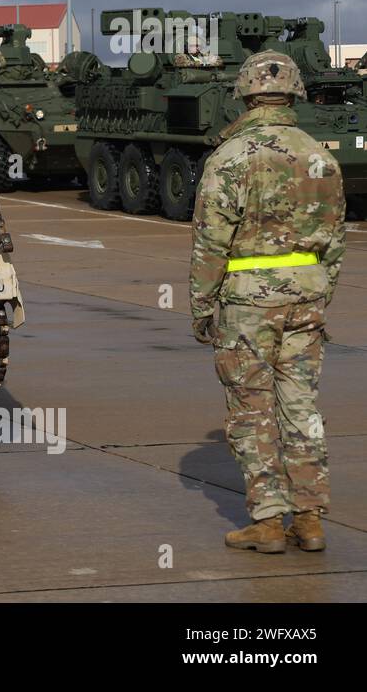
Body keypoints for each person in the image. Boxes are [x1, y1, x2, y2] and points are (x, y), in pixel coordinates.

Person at [190, 50, 343, 554]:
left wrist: (201, 304)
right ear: (296, 91)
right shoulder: (319, 155)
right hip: (308, 296)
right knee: (301, 405)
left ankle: (270, 522)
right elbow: (335, 239)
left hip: (249, 302)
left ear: (245, 93)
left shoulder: (231, 156)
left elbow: (211, 240)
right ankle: (311, 518)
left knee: (251, 410)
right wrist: (320, 289)